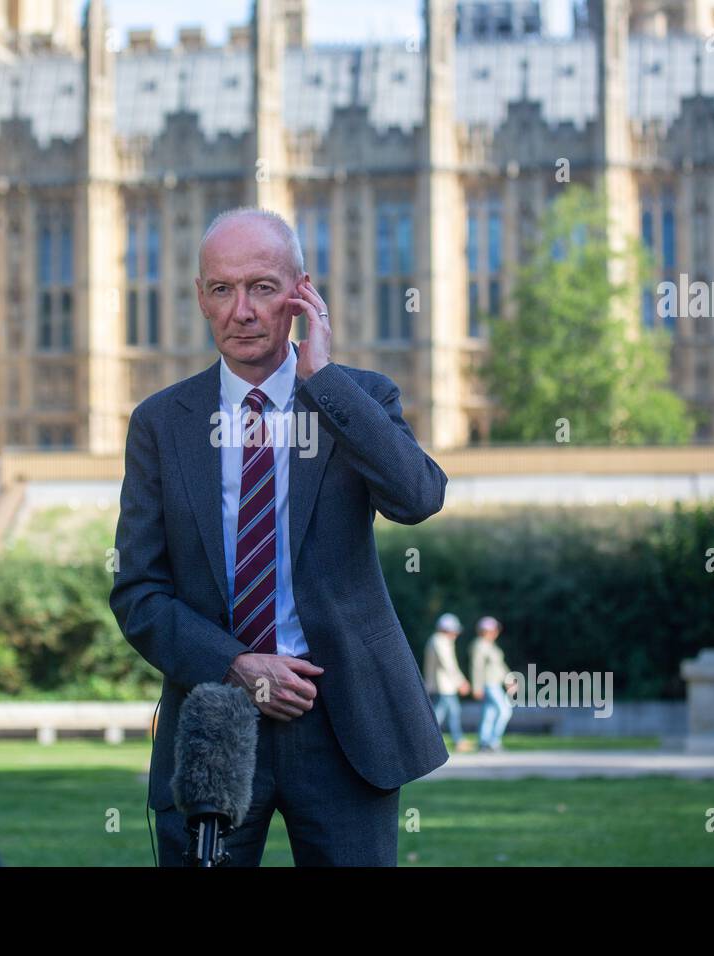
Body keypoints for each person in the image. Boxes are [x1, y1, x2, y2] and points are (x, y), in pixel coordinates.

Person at [109, 207, 449, 866]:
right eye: (221, 289)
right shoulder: (161, 423)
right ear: (201, 299)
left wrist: (324, 380)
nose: (241, 310)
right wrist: (235, 665)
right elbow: (138, 591)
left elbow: (418, 499)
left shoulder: (359, 398)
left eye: (262, 287)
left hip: (343, 722)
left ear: (302, 294)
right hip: (214, 722)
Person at [422, 612, 473, 752]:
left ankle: (457, 740)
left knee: (451, 713)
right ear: (446, 629)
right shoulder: (440, 641)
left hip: (445, 686)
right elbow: (448, 664)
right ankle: (427, 740)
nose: (456, 634)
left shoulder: (439, 640)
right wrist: (461, 682)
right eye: (454, 630)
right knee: (439, 715)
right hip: (443, 686)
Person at [470, 616, 516, 752]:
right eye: (493, 629)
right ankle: (493, 742)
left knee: (489, 714)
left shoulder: (491, 646)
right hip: (488, 685)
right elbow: (476, 667)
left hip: (495, 684)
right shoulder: (479, 645)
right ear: (485, 630)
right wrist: (476, 687)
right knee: (505, 711)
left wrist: (510, 679)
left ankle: (483, 743)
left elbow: (500, 666)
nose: (496, 632)